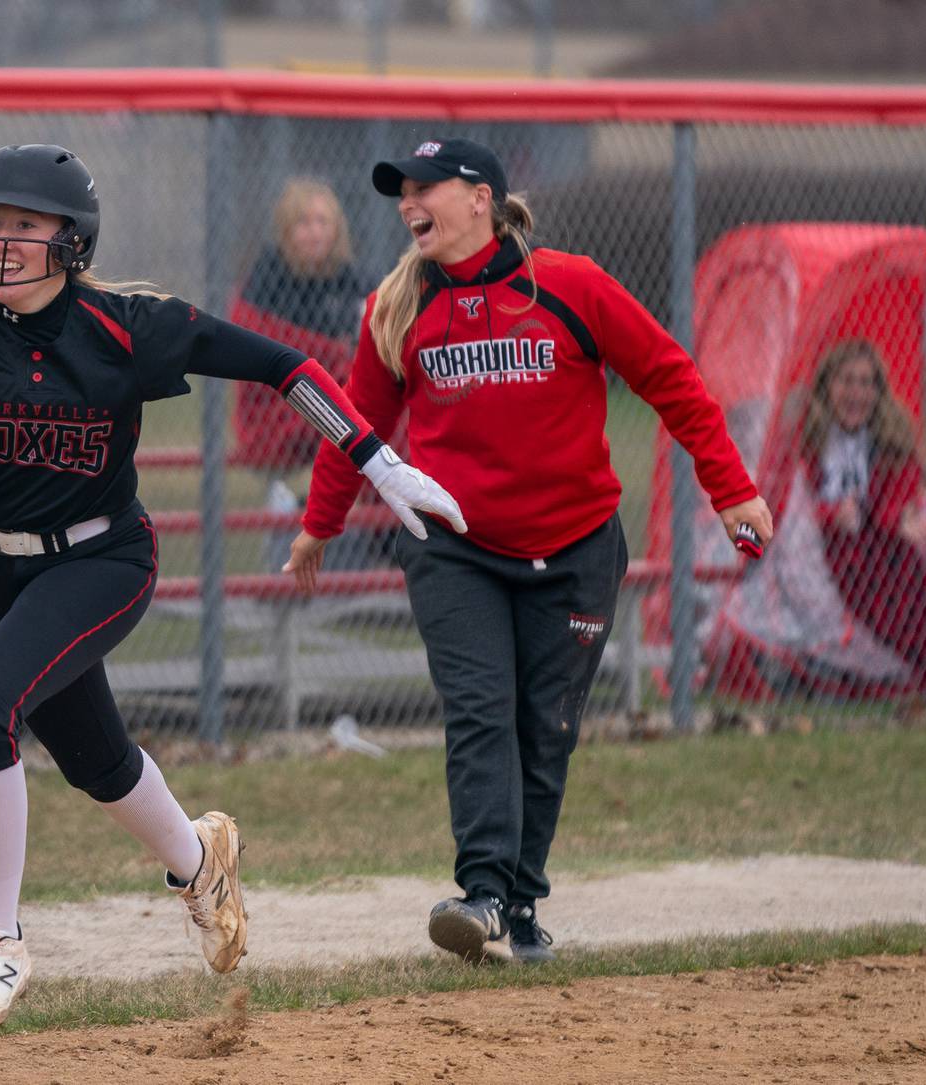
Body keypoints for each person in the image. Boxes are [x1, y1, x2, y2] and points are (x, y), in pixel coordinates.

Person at [0, 143, 464, 1033]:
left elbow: (283, 364)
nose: (1, 240)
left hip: (103, 560)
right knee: (95, 761)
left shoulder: (126, 326)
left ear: (73, 240)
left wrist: (376, 458)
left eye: (24, 224)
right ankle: (200, 861)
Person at [284, 137, 773, 966]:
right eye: (402, 191)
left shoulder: (571, 285)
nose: (408, 203)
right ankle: (480, 893)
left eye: (426, 187)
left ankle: (519, 903)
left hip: (576, 546)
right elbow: (354, 426)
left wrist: (731, 488)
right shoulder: (395, 308)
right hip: (454, 548)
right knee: (480, 713)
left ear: (481, 199)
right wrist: (319, 523)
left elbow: (671, 379)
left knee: (546, 729)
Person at [229, 178, 387, 568]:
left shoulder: (353, 280)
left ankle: (383, 536)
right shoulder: (267, 282)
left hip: (343, 405)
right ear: (286, 231)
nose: (315, 232)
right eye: (303, 223)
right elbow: (270, 351)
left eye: (322, 221)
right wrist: (338, 356)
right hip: (287, 414)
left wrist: (345, 361)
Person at [798, 339, 926, 698]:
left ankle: (905, 660)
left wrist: (905, 521)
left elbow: (896, 503)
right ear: (827, 387)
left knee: (903, 559)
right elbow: (789, 509)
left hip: (873, 556)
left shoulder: (890, 441)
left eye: (866, 383)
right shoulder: (807, 442)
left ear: (878, 392)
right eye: (846, 381)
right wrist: (830, 514)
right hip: (821, 554)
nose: (856, 393)